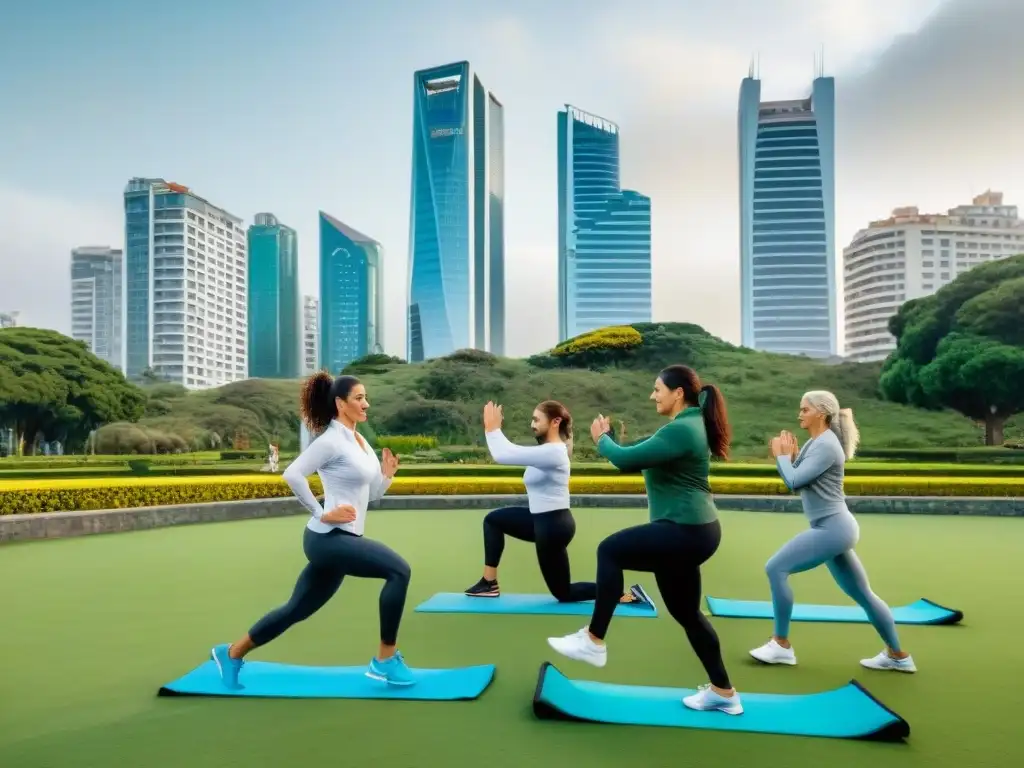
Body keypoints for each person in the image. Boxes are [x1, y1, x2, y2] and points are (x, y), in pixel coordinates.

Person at [547, 365, 743, 716]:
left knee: (610, 550)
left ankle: (593, 640)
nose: (653, 395)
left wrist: (603, 439)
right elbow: (643, 454)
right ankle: (723, 692)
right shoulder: (686, 426)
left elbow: (625, 460)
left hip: (686, 530)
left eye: (657, 389)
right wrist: (618, 443)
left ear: (678, 393)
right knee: (687, 613)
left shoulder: (683, 429)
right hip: (693, 530)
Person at [209, 372, 416, 689]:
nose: (366, 404)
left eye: (365, 397)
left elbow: (369, 495)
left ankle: (232, 653)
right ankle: (385, 660)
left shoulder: (360, 442)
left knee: (295, 610)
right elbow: (292, 474)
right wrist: (323, 513)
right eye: (359, 398)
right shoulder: (331, 441)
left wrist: (387, 477)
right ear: (340, 403)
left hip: (343, 540)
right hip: (327, 539)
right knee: (399, 571)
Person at [749, 391, 917, 673]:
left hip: (833, 528)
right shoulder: (817, 443)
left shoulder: (826, 445)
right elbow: (799, 480)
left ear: (821, 413)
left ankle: (781, 644)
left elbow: (792, 481)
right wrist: (788, 458)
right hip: (833, 528)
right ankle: (898, 655)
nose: (799, 414)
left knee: (775, 568)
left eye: (804, 409)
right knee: (864, 595)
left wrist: (781, 458)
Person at [464, 400, 652, 607]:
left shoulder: (553, 452)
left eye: (536, 419)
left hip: (553, 527)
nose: (532, 424)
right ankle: (488, 583)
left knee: (563, 592)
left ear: (554, 422)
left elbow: (502, 454)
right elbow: (517, 449)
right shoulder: (550, 450)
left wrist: (492, 429)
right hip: (541, 520)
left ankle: (618, 592)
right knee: (494, 520)